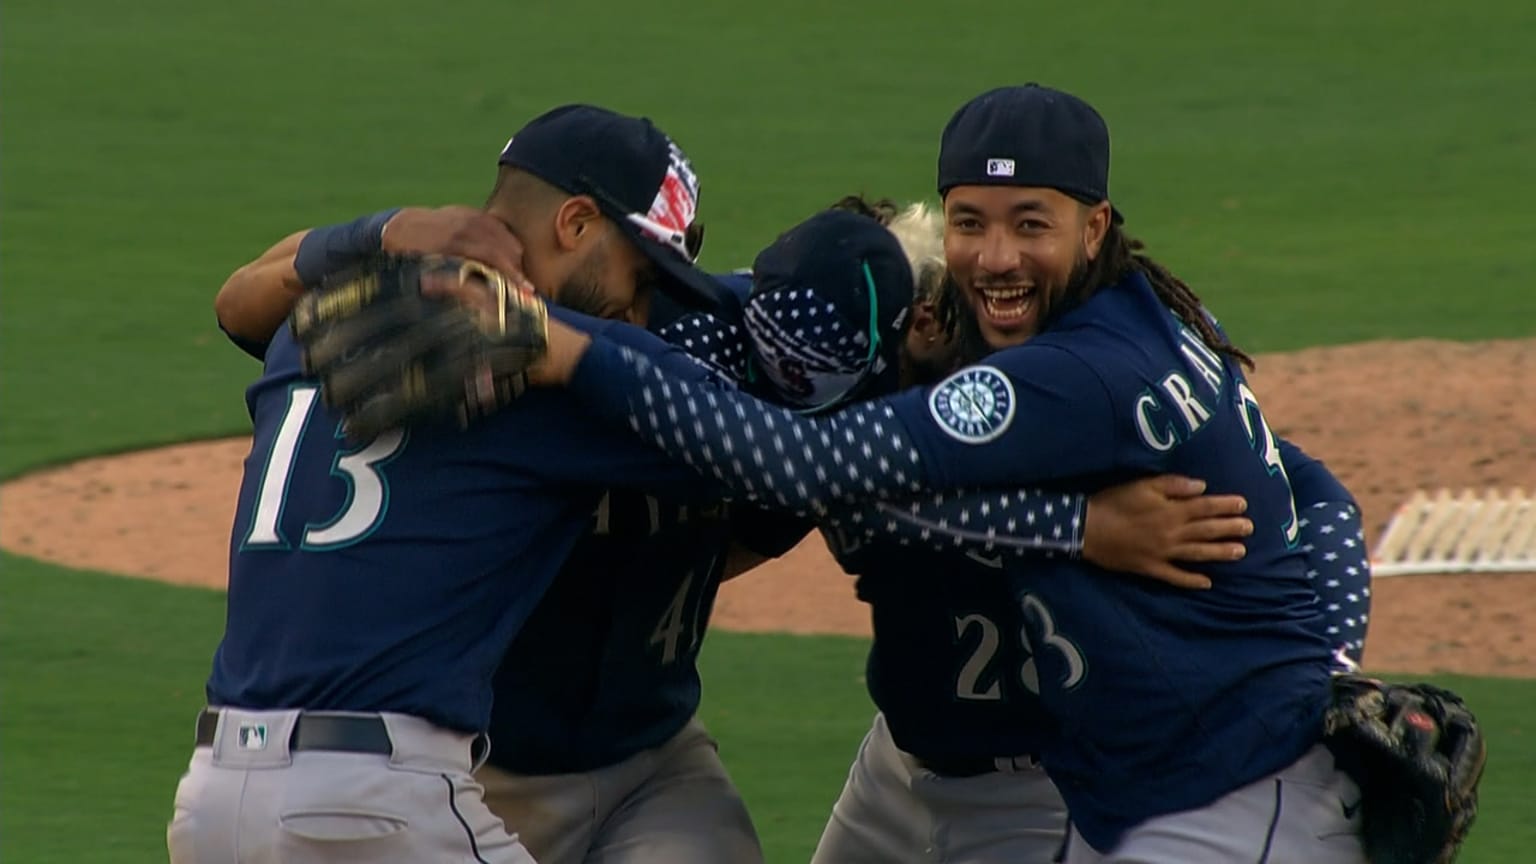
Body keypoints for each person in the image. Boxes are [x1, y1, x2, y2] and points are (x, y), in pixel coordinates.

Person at [492, 84, 1373, 863]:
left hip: (1037, 788)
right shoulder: (814, 339)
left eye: (1031, 224)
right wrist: (1082, 528)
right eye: (972, 225)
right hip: (900, 760)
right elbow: (842, 495)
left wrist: (1327, 673)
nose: (995, 259)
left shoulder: (1056, 383)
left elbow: (1307, 488)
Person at [168, 102, 738, 864]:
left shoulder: (321, 320)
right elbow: (752, 448)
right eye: (639, 278)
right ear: (574, 224)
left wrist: (382, 232)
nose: (639, 312)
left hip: (211, 798)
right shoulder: (543, 381)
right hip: (373, 802)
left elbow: (241, 298)